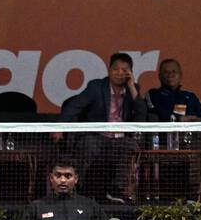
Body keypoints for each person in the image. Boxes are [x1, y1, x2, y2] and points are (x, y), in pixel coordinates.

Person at [57, 53, 148, 204]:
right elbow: (73, 107)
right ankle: (80, 189)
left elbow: (141, 115)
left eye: (124, 70)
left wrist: (132, 86)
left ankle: (116, 190)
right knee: (89, 144)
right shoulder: (96, 87)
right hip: (96, 135)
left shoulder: (133, 89)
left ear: (130, 72)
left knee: (130, 145)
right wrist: (59, 127)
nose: (120, 73)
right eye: (116, 69)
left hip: (119, 139)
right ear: (109, 70)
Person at [13, 159, 112, 220]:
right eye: (58, 175)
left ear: (76, 179)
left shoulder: (90, 206)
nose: (63, 180)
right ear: (51, 178)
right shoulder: (36, 207)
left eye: (68, 176)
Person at [146, 58, 201, 165]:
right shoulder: (153, 94)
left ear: (181, 75)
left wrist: (193, 120)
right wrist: (179, 119)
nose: (170, 75)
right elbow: (152, 113)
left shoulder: (190, 96)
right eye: (166, 72)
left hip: (192, 136)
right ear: (159, 76)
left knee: (199, 143)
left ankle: (199, 182)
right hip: (167, 137)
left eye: (174, 71)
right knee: (200, 136)